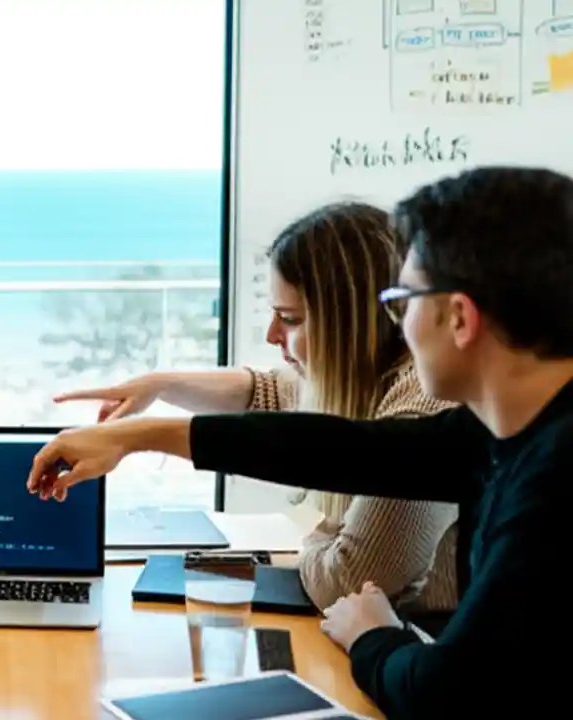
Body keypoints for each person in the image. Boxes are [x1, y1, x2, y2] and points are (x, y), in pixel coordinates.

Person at [26, 166, 573, 718]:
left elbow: (450, 691)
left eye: (402, 303)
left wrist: (373, 636)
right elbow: (350, 449)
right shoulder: (501, 430)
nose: (400, 327)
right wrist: (141, 433)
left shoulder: (550, 486)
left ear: (459, 318)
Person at [53, 202, 458, 619]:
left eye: (290, 319)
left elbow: (345, 581)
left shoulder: (424, 407)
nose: (271, 335)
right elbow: (269, 392)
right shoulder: (375, 378)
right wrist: (160, 385)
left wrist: (317, 533)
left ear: (349, 324)